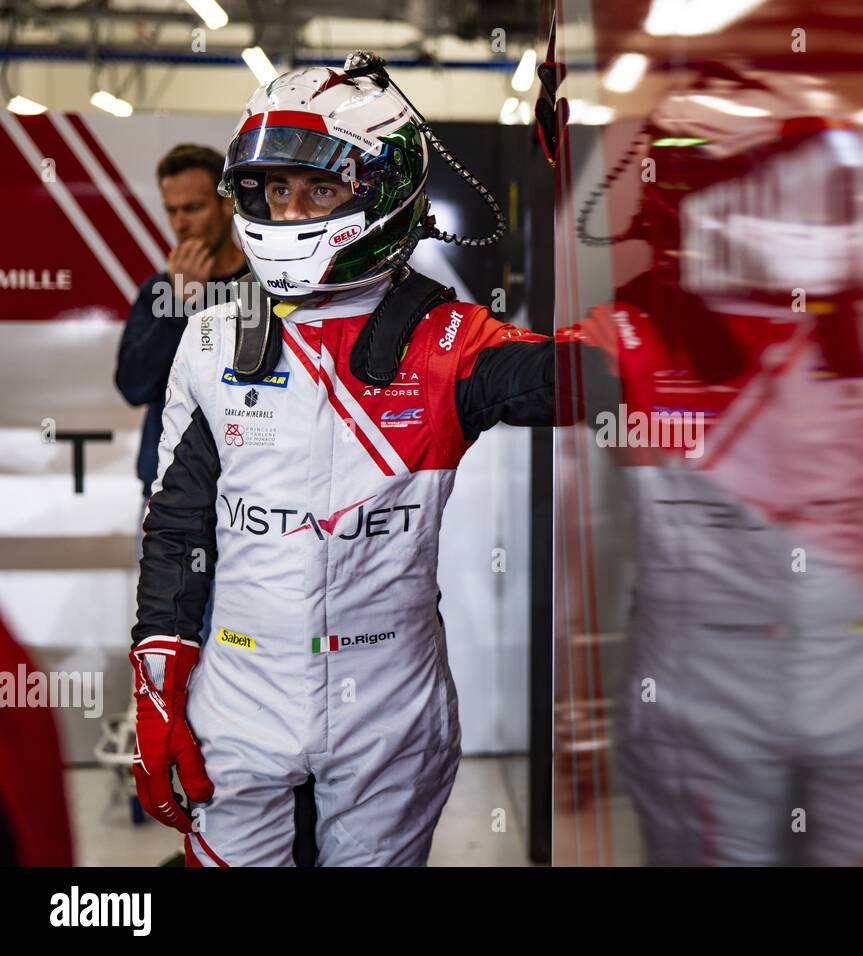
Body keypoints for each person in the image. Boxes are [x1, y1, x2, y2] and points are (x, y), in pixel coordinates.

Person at [128, 53, 555, 866]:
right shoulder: (214, 337)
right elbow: (178, 524)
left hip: (389, 703)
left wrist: (655, 339)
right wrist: (157, 692)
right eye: (274, 190)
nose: (290, 210)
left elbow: (563, 380)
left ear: (384, 191)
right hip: (239, 690)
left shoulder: (449, 340)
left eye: (321, 189)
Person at [556, 64, 863, 864]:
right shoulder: (631, 331)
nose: (825, 215)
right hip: (701, 688)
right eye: (798, 190)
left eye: (834, 191)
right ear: (705, 194)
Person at [115, 144, 247, 499]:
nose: (180, 224)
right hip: (166, 489)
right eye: (172, 211)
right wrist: (181, 301)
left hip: (246, 490)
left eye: (193, 208)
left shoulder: (262, 286)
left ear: (226, 204)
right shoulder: (159, 290)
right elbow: (134, 387)